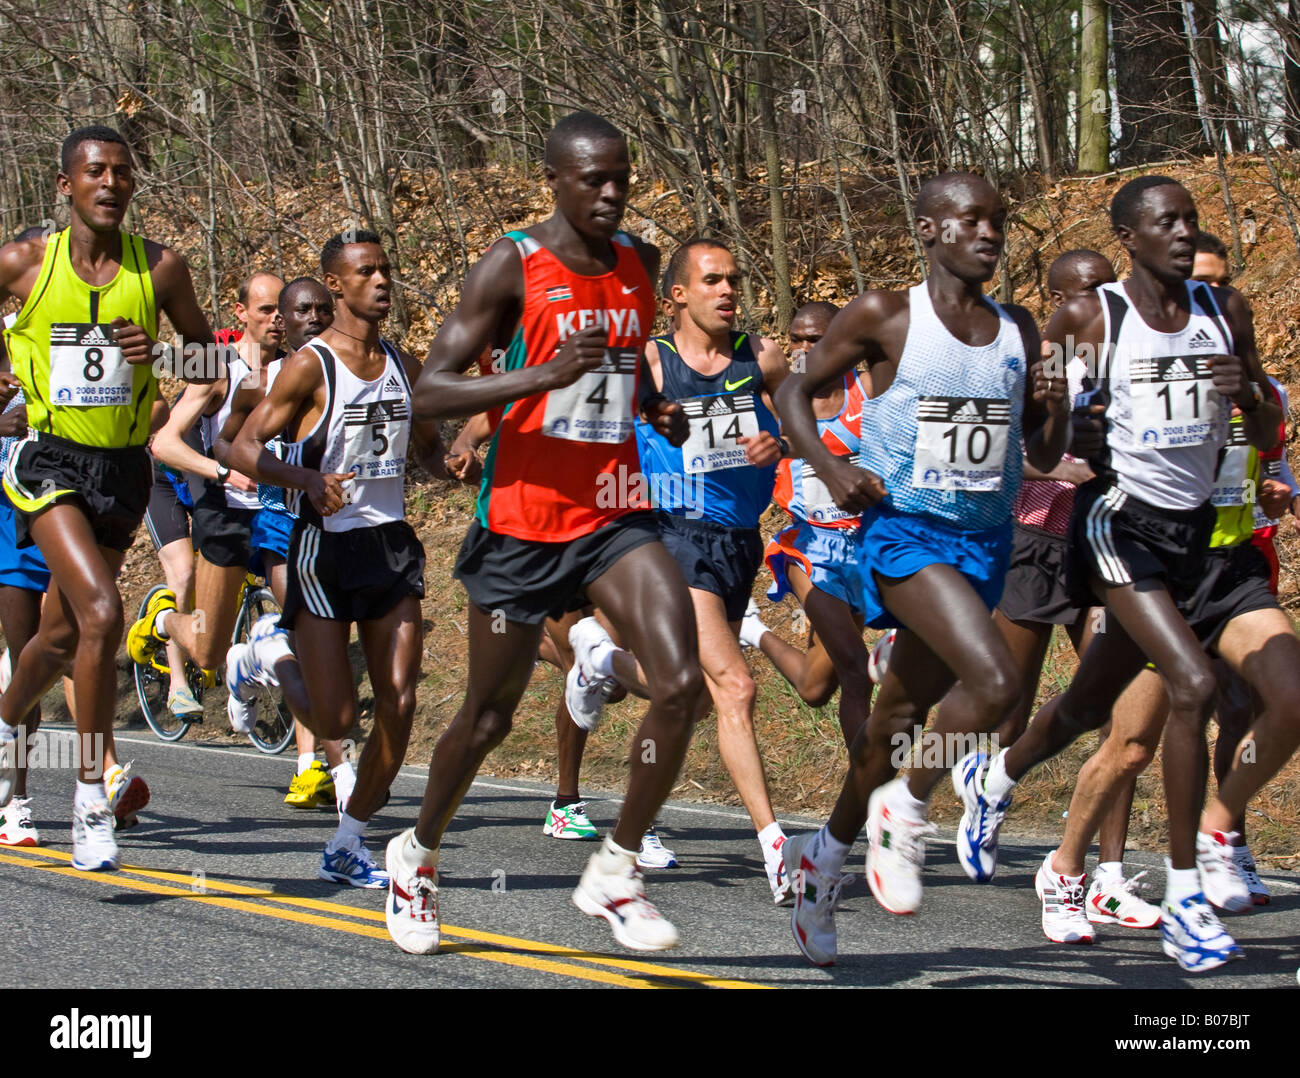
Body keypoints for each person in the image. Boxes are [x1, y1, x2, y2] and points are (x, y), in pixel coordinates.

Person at [959, 176, 1297, 972]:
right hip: (1125, 533)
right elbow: (1039, 453)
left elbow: (1269, 418)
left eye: (1190, 220)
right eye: (1165, 222)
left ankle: (1009, 775)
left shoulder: (1226, 311)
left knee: (1108, 703)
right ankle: (1186, 900)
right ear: (1131, 237)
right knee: (1189, 688)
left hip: (1216, 552)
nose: (1183, 233)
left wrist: (1245, 391)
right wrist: (1060, 413)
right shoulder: (1092, 316)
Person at [387, 111, 703, 955]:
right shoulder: (514, 263)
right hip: (523, 521)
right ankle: (416, 855)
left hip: (613, 508)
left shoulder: (636, 262)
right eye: (592, 178)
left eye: (621, 178)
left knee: (681, 684)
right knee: (488, 717)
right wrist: (540, 374)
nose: (609, 193)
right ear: (555, 179)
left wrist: (654, 409)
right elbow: (428, 391)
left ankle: (617, 867)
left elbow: (621, 375)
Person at [774, 171, 1068, 966]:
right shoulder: (886, 314)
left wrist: (1059, 405)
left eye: (998, 222)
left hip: (984, 543)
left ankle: (824, 859)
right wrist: (832, 472)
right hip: (906, 535)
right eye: (970, 220)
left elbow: (1038, 454)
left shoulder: (1019, 328)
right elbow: (794, 397)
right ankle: (905, 810)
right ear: (929, 230)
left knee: (894, 723)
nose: (989, 234)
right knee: (1000, 684)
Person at [0, 127, 216, 870]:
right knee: (101, 612)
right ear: (66, 186)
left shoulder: (159, 268)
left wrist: (158, 354)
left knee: (60, 639)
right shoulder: (26, 263)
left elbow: (210, 360)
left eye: (123, 172)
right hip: (50, 460)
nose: (111, 183)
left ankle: (4, 724)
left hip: (122, 467)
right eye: (95, 171)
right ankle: (92, 795)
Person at [564, 237, 793, 899]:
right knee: (736, 688)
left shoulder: (762, 357)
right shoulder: (649, 365)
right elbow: (583, 426)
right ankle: (776, 847)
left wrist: (779, 440)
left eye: (734, 278)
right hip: (670, 538)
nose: (728, 291)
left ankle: (601, 665)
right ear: (678, 296)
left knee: (686, 695)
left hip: (738, 542)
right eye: (713, 280)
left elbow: (807, 423)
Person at [231, 230, 452, 886]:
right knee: (337, 718)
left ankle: (350, 839)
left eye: (387, 269)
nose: (383, 280)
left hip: (388, 547)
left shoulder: (405, 367)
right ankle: (261, 657)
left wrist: (456, 465)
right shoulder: (311, 365)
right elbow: (242, 447)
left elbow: (430, 451)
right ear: (337, 285)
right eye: (367, 272)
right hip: (320, 552)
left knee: (401, 700)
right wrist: (304, 483)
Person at [126, 272, 283, 739]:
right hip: (205, 493)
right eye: (265, 310)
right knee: (206, 646)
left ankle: (311, 762)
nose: (277, 320)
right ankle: (165, 619)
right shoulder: (216, 365)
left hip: (274, 504)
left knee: (305, 621)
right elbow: (164, 443)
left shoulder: (303, 364)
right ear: (242, 314)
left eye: (283, 310)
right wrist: (221, 471)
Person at [219, 275, 355, 809]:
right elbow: (230, 441)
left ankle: (251, 659)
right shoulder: (264, 380)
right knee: (305, 632)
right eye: (303, 313)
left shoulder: (357, 370)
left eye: (325, 311)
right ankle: (318, 765)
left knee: (328, 643)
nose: (316, 320)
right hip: (283, 522)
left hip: (349, 526)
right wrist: (256, 471)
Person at [745, 300, 875, 753]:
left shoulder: (870, 388)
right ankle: (868, 799)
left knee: (816, 687)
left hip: (869, 548)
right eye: (795, 338)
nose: (802, 348)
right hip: (810, 548)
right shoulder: (776, 399)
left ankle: (753, 631)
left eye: (815, 339)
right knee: (857, 669)